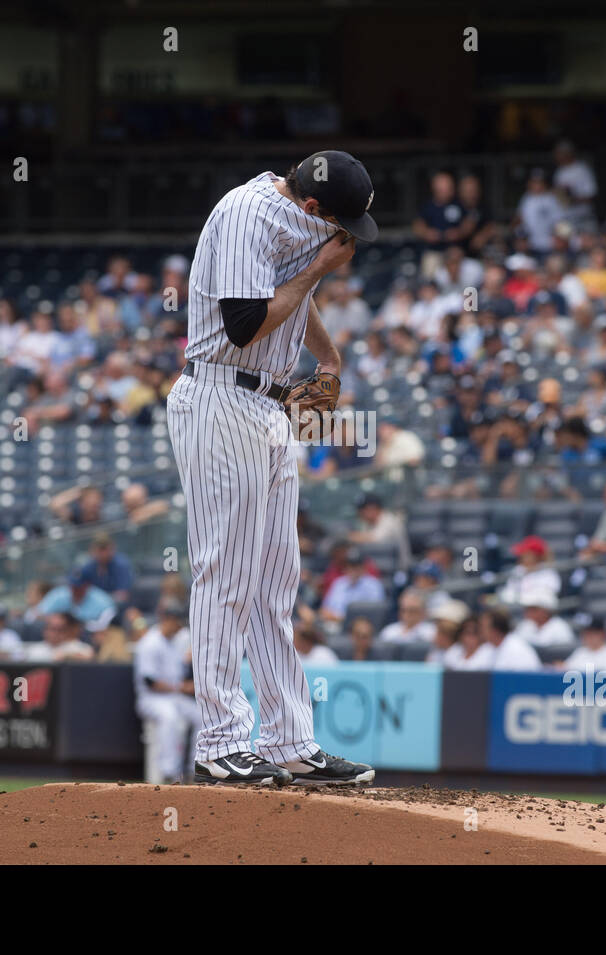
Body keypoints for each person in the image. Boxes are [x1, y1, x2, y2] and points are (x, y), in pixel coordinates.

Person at [165, 149, 376, 786]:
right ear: (313, 208)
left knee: (275, 583)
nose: (345, 241)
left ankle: (289, 742)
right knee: (224, 573)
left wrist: (331, 361)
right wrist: (318, 267)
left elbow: (286, 298)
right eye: (341, 226)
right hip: (220, 394)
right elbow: (244, 325)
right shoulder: (245, 214)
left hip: (269, 404)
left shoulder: (288, 221)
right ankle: (220, 742)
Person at [133, 599, 200, 783]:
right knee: (169, 716)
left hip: (173, 697)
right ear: (168, 619)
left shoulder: (175, 641)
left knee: (201, 716)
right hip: (152, 698)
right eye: (177, 621)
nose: (179, 626)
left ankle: (195, 769)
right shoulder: (150, 642)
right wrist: (181, 687)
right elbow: (150, 681)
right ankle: (169, 772)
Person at [507, 584, 575, 649]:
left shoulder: (560, 629)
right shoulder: (525, 626)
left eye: (532, 609)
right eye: (527, 608)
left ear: (545, 611)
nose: (527, 612)